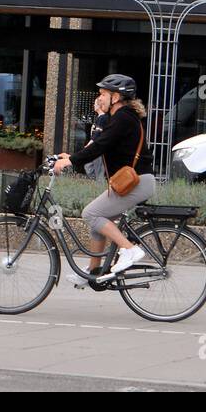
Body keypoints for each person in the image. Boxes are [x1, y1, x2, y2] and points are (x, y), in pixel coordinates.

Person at [53, 73, 156, 286]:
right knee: (97, 222)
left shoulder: (124, 118)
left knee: (90, 213)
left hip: (137, 183)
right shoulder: (118, 117)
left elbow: (101, 145)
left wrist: (71, 162)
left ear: (115, 97)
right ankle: (94, 272)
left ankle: (130, 250)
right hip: (131, 183)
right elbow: (98, 141)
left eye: (103, 94)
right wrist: (69, 156)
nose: (99, 98)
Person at [81, 92, 111, 182]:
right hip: (95, 146)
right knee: (88, 165)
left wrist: (89, 144)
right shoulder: (99, 117)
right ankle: (96, 183)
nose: (93, 105)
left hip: (98, 147)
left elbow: (98, 134)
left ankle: (99, 185)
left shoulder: (103, 118)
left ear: (99, 105)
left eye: (95, 103)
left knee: (99, 170)